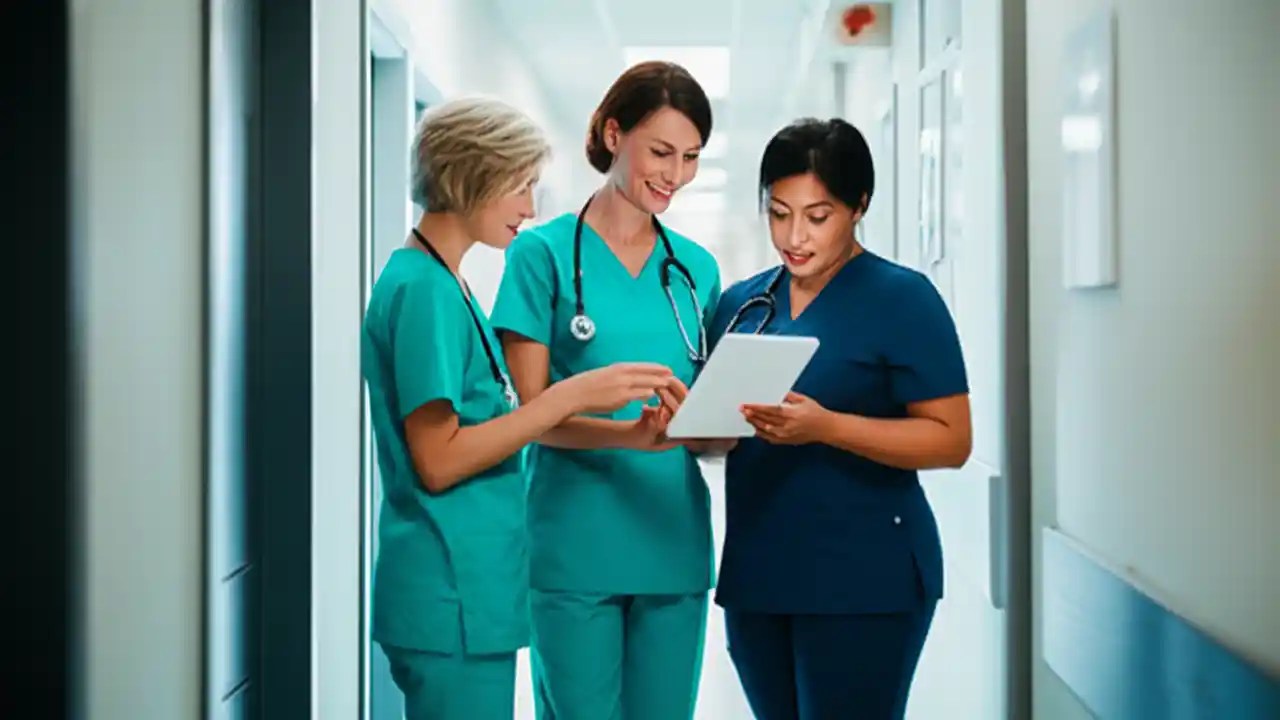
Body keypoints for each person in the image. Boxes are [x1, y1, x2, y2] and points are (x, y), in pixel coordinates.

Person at [362, 95, 677, 720]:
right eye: (520, 185)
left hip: (466, 593)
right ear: (471, 174)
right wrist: (567, 395)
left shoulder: (440, 281)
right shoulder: (423, 291)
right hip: (449, 593)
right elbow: (438, 461)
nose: (529, 209)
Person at [707, 117, 973, 720]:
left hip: (865, 580)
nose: (794, 235)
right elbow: (722, 435)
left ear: (859, 206)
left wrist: (827, 427)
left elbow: (952, 440)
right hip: (760, 575)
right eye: (778, 212)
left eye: (817, 216)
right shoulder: (743, 304)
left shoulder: (903, 299)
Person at [489, 62, 722, 720]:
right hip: (575, 545)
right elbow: (528, 414)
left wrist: (726, 424)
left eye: (690, 158)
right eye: (660, 152)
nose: (673, 174)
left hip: (671, 540)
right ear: (614, 134)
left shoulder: (695, 271)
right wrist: (628, 436)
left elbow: (701, 414)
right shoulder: (541, 254)